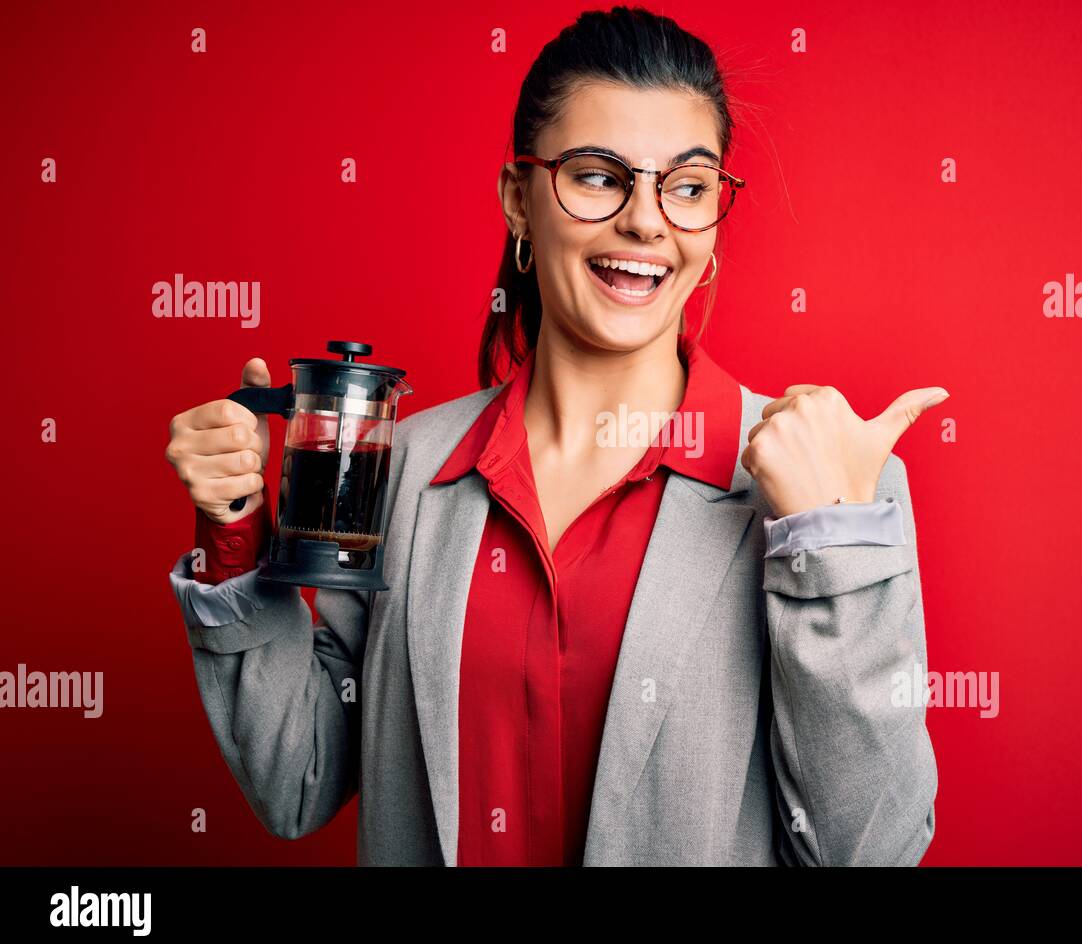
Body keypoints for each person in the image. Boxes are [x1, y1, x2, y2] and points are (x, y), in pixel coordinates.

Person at [165, 5, 946, 866]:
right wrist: (236, 535)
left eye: (687, 187)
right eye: (599, 177)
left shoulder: (819, 478)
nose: (647, 223)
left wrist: (826, 541)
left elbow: (866, 853)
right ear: (517, 201)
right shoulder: (406, 468)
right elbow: (296, 780)